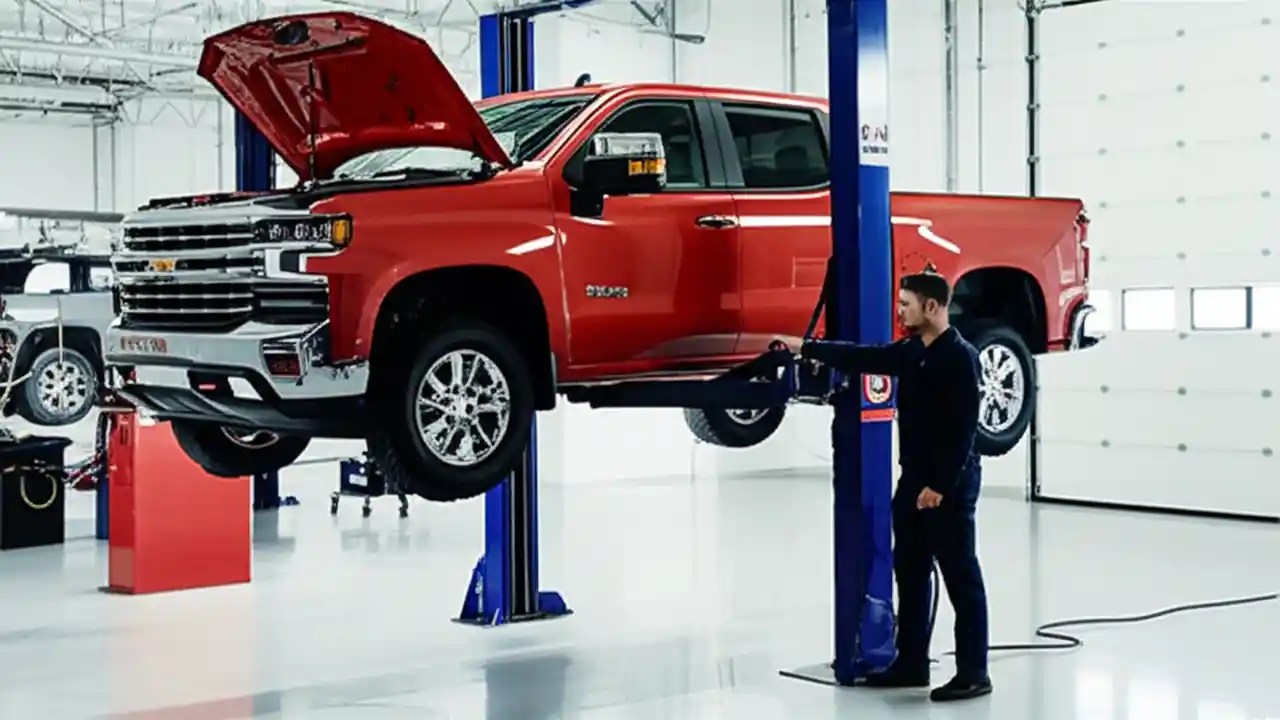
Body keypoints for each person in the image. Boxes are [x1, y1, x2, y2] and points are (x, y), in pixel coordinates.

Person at [801, 271, 993, 702]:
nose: (899, 310)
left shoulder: (960, 358)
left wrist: (940, 485)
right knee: (909, 571)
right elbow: (866, 357)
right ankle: (912, 663)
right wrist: (808, 348)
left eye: (906, 303)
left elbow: (964, 431)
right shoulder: (911, 352)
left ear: (932, 307)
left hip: (949, 485)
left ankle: (974, 672)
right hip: (914, 482)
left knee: (961, 576)